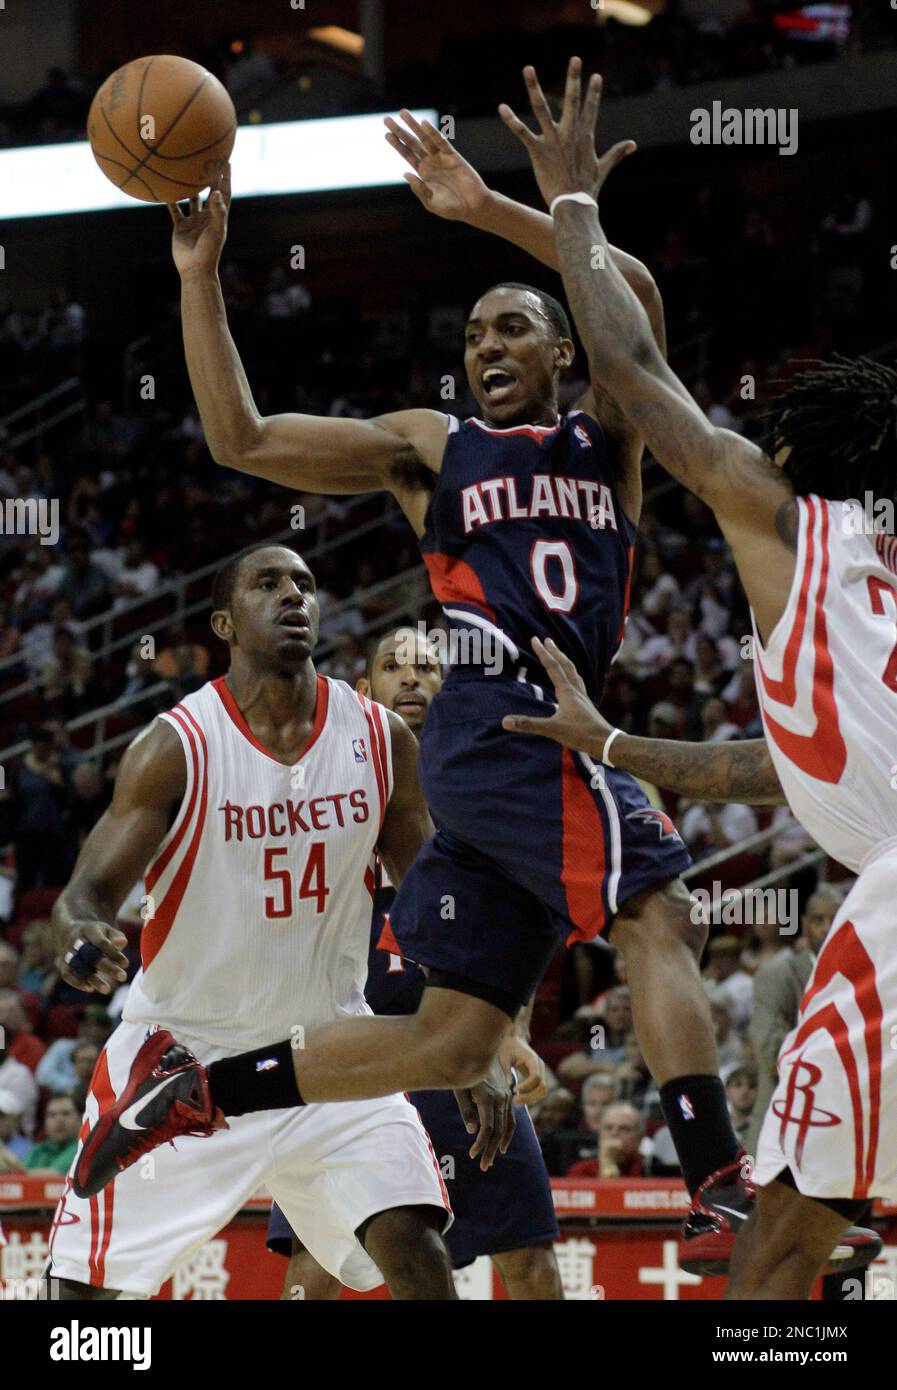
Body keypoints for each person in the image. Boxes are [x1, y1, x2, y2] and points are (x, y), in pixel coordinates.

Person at [69, 105, 761, 1276]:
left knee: (447, 1042)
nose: (489, 345)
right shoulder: (431, 448)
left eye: (517, 328)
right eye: (476, 331)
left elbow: (628, 299)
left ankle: (201, 1089)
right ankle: (721, 1183)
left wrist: (491, 207)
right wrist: (201, 276)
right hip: (516, 728)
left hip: (531, 742)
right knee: (656, 913)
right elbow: (240, 437)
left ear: (562, 353)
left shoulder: (613, 432)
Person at [497, 55, 895, 1297]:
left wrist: (569, 205)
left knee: (780, 1237)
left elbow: (634, 377)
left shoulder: (787, 521)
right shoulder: (868, 611)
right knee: (798, 1235)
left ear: (786, 449)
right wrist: (608, 743)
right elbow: (773, 772)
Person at [45, 543, 486, 1301]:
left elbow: (432, 904)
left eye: (305, 585)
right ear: (224, 622)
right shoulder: (175, 748)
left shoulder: (381, 740)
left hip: (331, 1052)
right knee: (81, 1303)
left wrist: (483, 1038)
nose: (293, 596)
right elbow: (84, 893)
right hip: (181, 1064)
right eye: (268, 584)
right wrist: (81, 937)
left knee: (415, 1251)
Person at [267, 627, 563, 1300]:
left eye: (426, 666)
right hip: (347, 1043)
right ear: (364, 689)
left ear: (446, 687)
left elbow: (514, 918)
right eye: (393, 666)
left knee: (527, 1251)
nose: (410, 677)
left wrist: (509, 1028)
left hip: (452, 1036)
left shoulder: (480, 787)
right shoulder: (322, 782)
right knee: (317, 1259)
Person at [24, 1095, 80, 1177]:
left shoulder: (82, 1149)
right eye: (52, 1115)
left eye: (66, 1114)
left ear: (80, 1119)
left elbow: (57, 1174)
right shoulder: (37, 1150)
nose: (59, 1120)